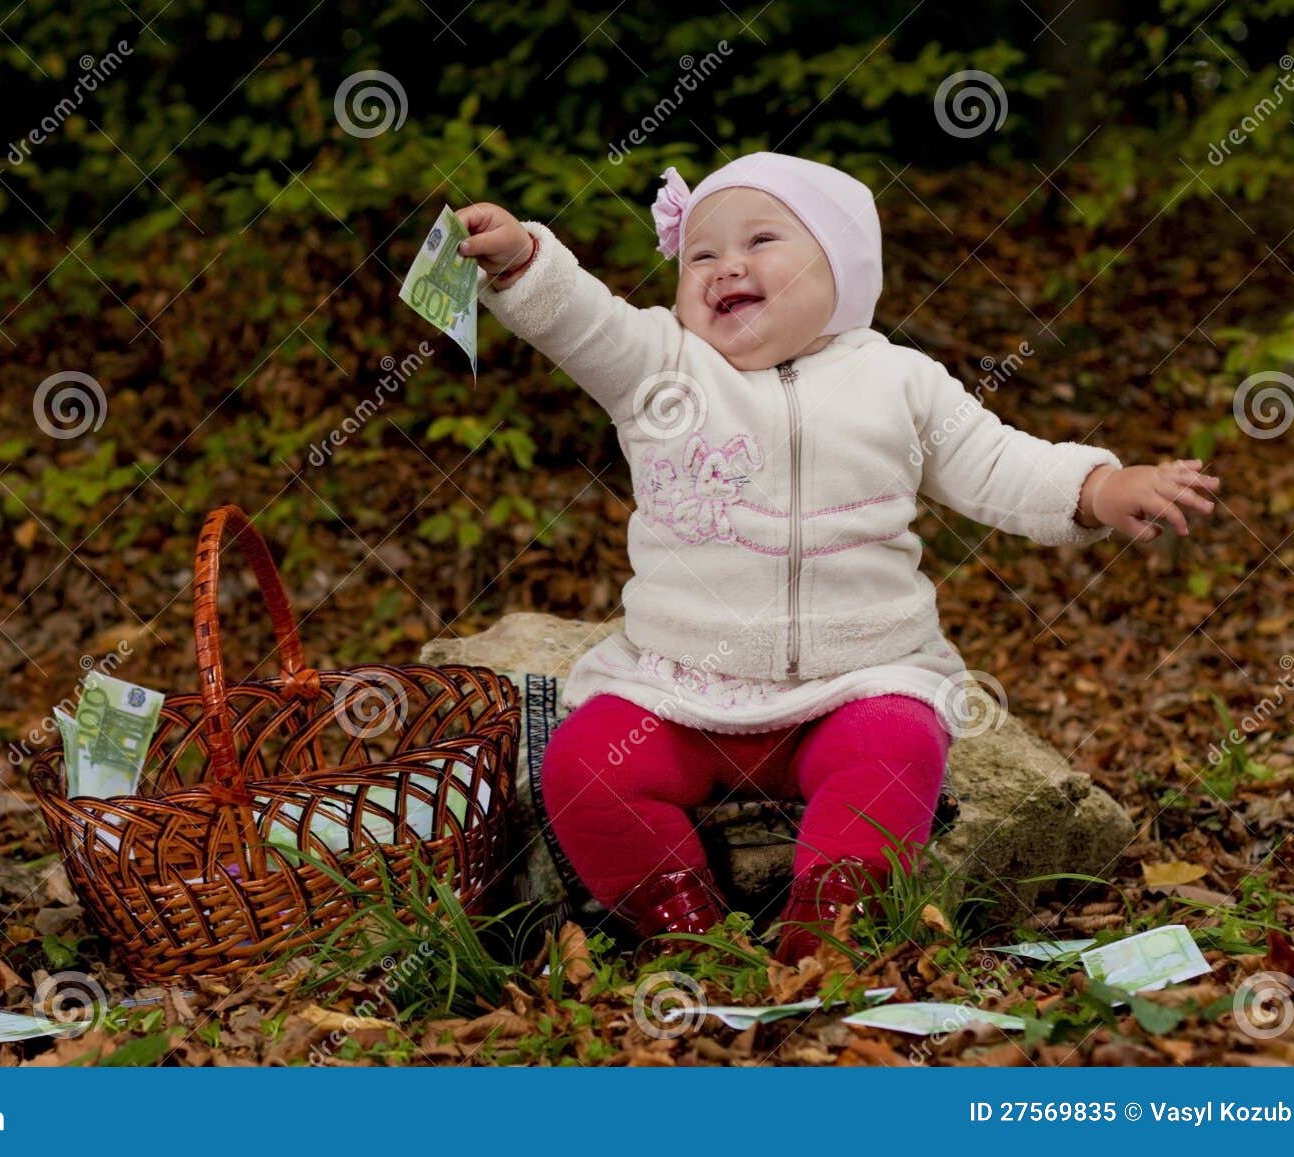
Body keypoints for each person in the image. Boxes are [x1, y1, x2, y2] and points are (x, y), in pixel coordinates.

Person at [453, 151, 1220, 965]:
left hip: (855, 683)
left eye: (761, 240)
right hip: (681, 685)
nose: (725, 266)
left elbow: (999, 462)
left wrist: (1099, 485)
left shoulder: (898, 380)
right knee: (584, 764)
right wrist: (525, 262)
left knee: (901, 747)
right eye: (701, 254)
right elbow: (584, 319)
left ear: (843, 270)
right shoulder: (661, 365)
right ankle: (685, 926)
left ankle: (829, 924)